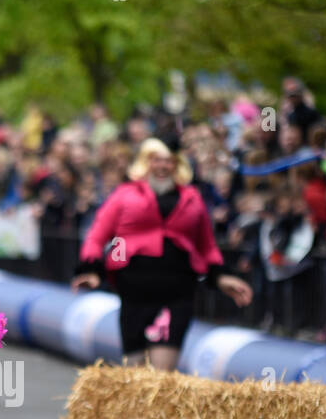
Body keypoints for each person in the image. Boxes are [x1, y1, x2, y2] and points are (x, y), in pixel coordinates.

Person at [73, 138, 252, 371]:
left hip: (176, 292)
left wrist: (221, 276)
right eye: (157, 160)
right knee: (135, 372)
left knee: (160, 377)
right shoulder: (124, 194)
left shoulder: (192, 197)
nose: (163, 166)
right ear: (146, 163)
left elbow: (206, 246)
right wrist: (91, 269)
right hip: (135, 292)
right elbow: (97, 236)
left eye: (169, 161)